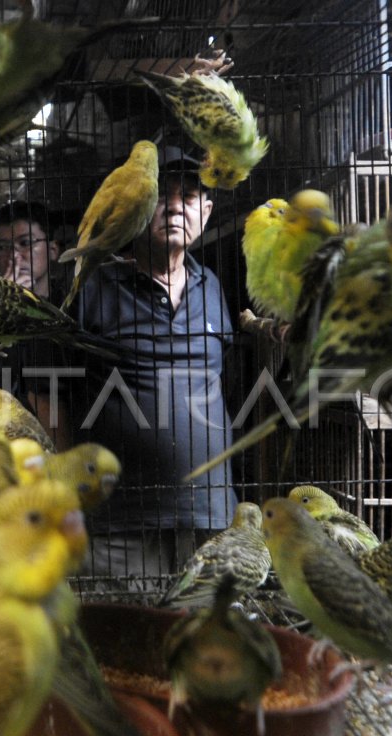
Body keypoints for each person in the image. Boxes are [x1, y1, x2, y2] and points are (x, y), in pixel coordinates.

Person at [69, 145, 239, 579]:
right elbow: (50, 394)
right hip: (124, 524)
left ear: (207, 209)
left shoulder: (212, 285)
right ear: (140, 205)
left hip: (211, 519)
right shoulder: (96, 287)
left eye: (188, 196)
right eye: (163, 195)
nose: (175, 207)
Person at [0, 199, 71, 449]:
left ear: (52, 250)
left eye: (25, 243)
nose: (13, 255)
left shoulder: (70, 306)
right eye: (2, 247)